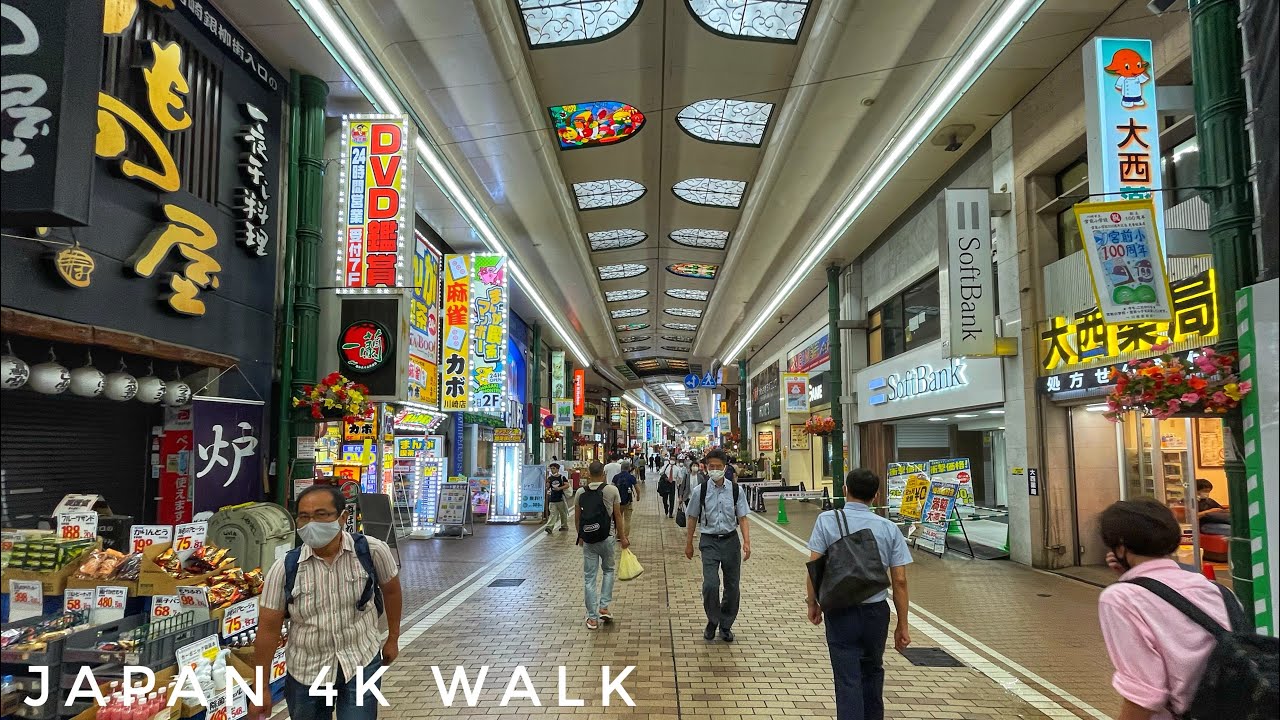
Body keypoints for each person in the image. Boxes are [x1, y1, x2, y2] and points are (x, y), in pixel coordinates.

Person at [253, 485, 403, 720]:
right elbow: (268, 629)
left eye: (321, 515)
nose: (311, 523)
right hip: (306, 671)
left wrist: (393, 638)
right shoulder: (283, 568)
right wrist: (260, 688)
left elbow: (392, 592)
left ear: (343, 517)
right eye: (304, 516)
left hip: (360, 660)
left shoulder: (372, 551)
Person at [1096, 499, 1236, 720]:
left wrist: (1128, 581)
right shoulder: (1215, 590)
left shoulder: (1120, 598)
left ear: (1120, 546)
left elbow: (1144, 693)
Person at [806, 469, 912, 720]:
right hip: (876, 612)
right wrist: (903, 624)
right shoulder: (889, 528)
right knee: (873, 671)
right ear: (876, 495)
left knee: (847, 678)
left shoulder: (827, 520)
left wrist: (812, 603)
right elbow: (900, 580)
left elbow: (814, 567)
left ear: (845, 491)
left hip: (840, 610)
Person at [684, 448, 752, 642]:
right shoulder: (700, 490)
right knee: (711, 585)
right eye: (711, 466)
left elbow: (743, 518)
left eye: (718, 467)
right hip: (709, 541)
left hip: (730, 540)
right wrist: (689, 543)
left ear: (725, 467)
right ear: (706, 467)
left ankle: (726, 625)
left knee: (732, 586)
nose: (715, 470)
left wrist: (747, 541)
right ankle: (713, 620)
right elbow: (692, 517)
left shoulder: (736, 490)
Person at [575, 461, 629, 630]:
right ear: (604, 474)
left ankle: (592, 618)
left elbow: (577, 518)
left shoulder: (580, 492)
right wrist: (623, 537)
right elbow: (618, 516)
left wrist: (581, 536)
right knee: (608, 571)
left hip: (589, 540)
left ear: (588, 474)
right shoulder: (612, 490)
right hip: (607, 538)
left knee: (589, 578)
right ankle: (604, 607)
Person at [543, 462, 571, 534]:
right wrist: (546, 483)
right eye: (551, 468)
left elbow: (567, 485)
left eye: (554, 468)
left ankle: (564, 526)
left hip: (561, 498)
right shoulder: (550, 478)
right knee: (553, 513)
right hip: (553, 498)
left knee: (563, 513)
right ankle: (549, 527)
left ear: (558, 469)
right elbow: (548, 487)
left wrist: (560, 488)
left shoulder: (562, 477)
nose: (552, 470)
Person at [613, 459, 639, 536]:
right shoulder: (631, 477)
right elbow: (637, 488)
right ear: (629, 468)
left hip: (618, 501)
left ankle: (618, 535)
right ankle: (625, 536)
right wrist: (638, 496)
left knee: (618, 518)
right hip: (628, 500)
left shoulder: (616, 477)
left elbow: (612, 488)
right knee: (627, 519)